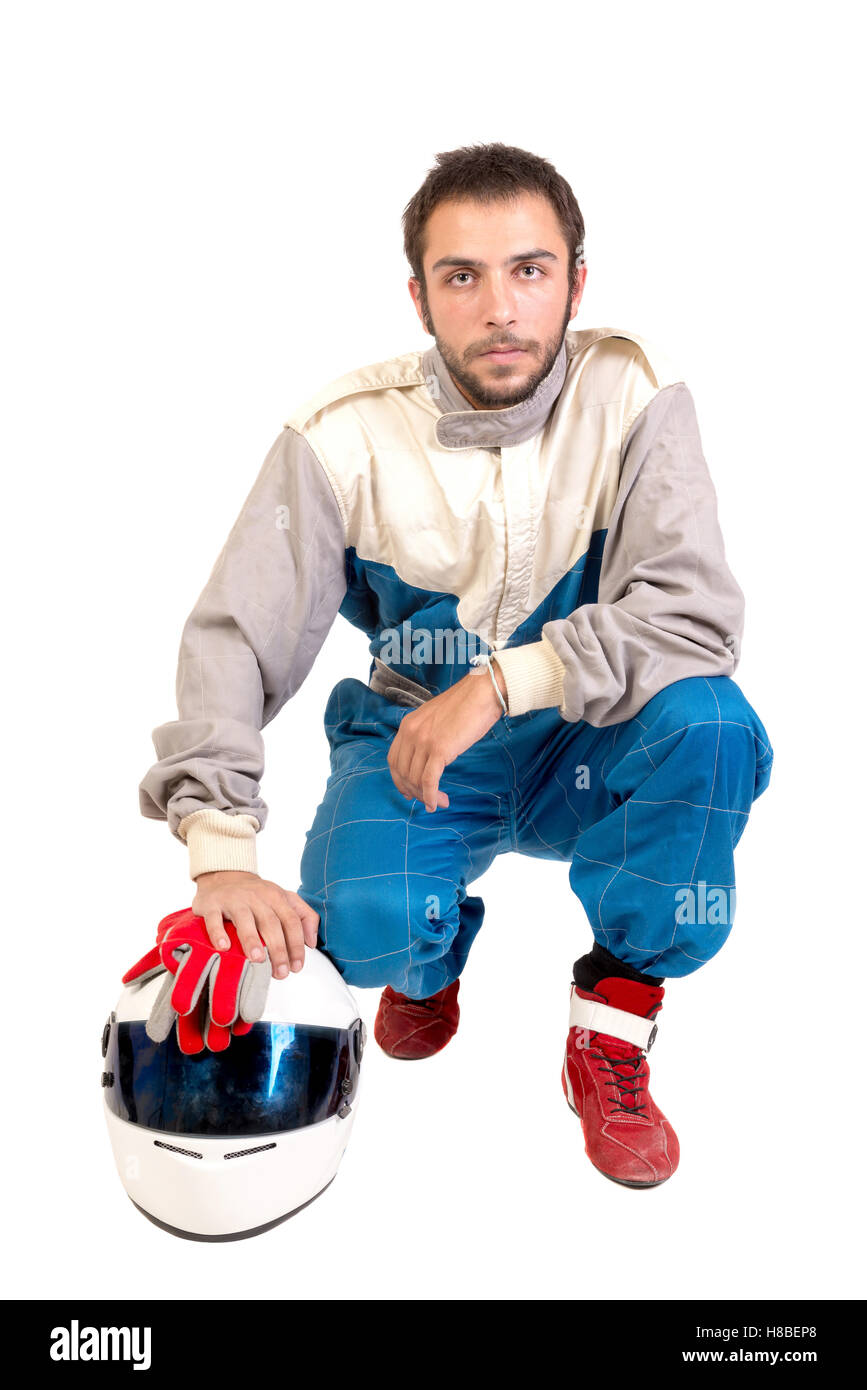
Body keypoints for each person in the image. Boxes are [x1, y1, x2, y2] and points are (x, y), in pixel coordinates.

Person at [139, 142, 773, 1188]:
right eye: (462, 276)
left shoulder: (636, 390)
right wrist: (219, 851)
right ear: (419, 295)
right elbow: (234, 635)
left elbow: (693, 617)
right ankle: (432, 944)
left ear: (577, 280)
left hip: (589, 734)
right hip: (419, 743)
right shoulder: (339, 433)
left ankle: (609, 1026)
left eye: (529, 270)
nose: (500, 309)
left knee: (710, 725)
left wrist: (502, 683)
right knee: (363, 930)